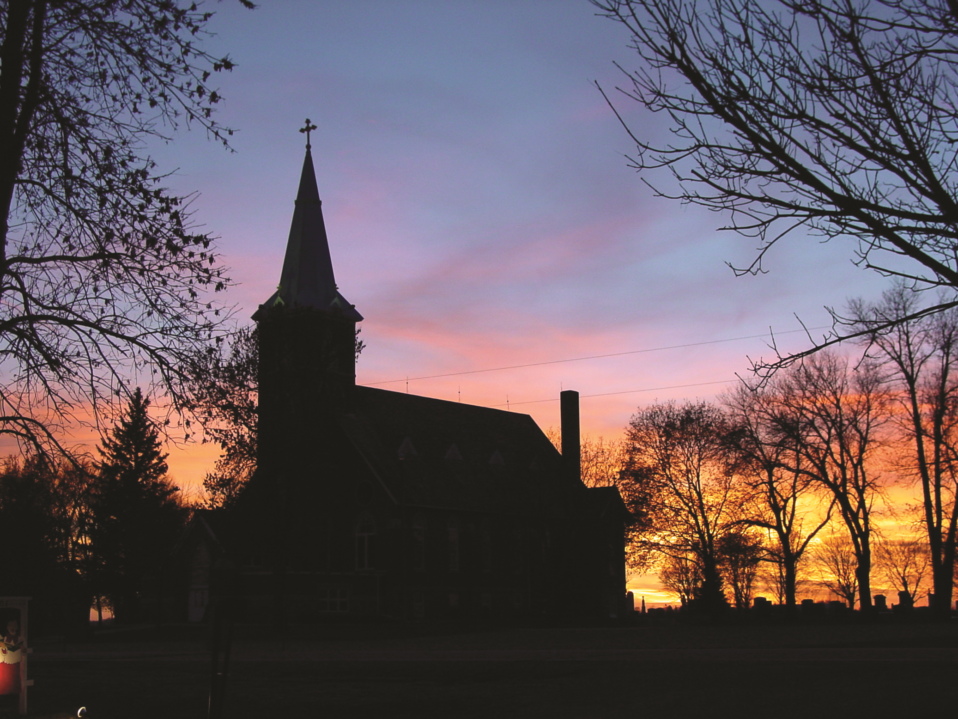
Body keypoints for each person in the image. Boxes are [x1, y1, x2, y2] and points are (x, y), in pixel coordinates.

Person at [0, 619, 23, 695]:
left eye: (14, 625)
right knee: (5, 678)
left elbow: (22, 647)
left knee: (14, 677)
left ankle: (13, 691)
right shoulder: (4, 638)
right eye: (10, 625)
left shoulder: (19, 638)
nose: (12, 628)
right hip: (6, 661)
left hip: (15, 661)